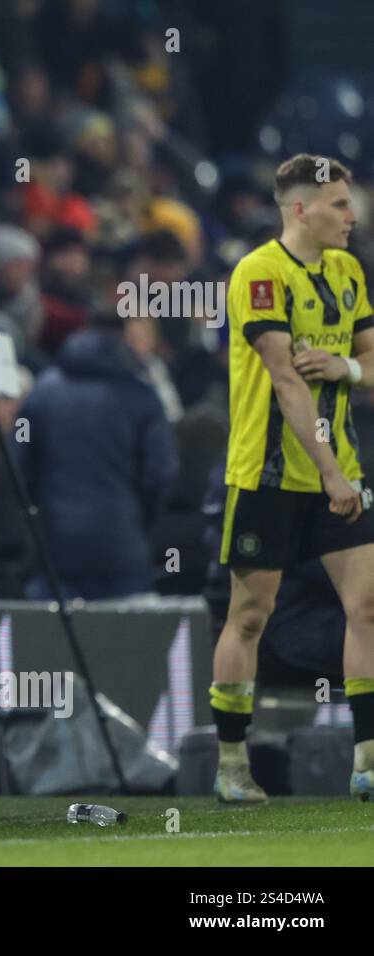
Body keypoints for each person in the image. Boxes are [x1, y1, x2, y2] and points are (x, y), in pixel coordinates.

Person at [211, 154, 374, 804]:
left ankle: (366, 762)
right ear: (299, 208)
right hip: (269, 475)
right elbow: (284, 379)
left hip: (342, 474)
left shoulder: (348, 271)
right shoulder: (259, 273)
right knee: (250, 617)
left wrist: (349, 370)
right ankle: (230, 766)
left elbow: (368, 361)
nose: (352, 215)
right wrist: (330, 472)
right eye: (339, 204)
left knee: (367, 608)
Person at [13, 311, 177, 600]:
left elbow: (21, 464)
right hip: (122, 545)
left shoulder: (41, 394)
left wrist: (40, 515)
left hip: (55, 546)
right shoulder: (142, 396)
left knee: (51, 641)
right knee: (125, 640)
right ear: (124, 339)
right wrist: (138, 519)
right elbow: (159, 475)